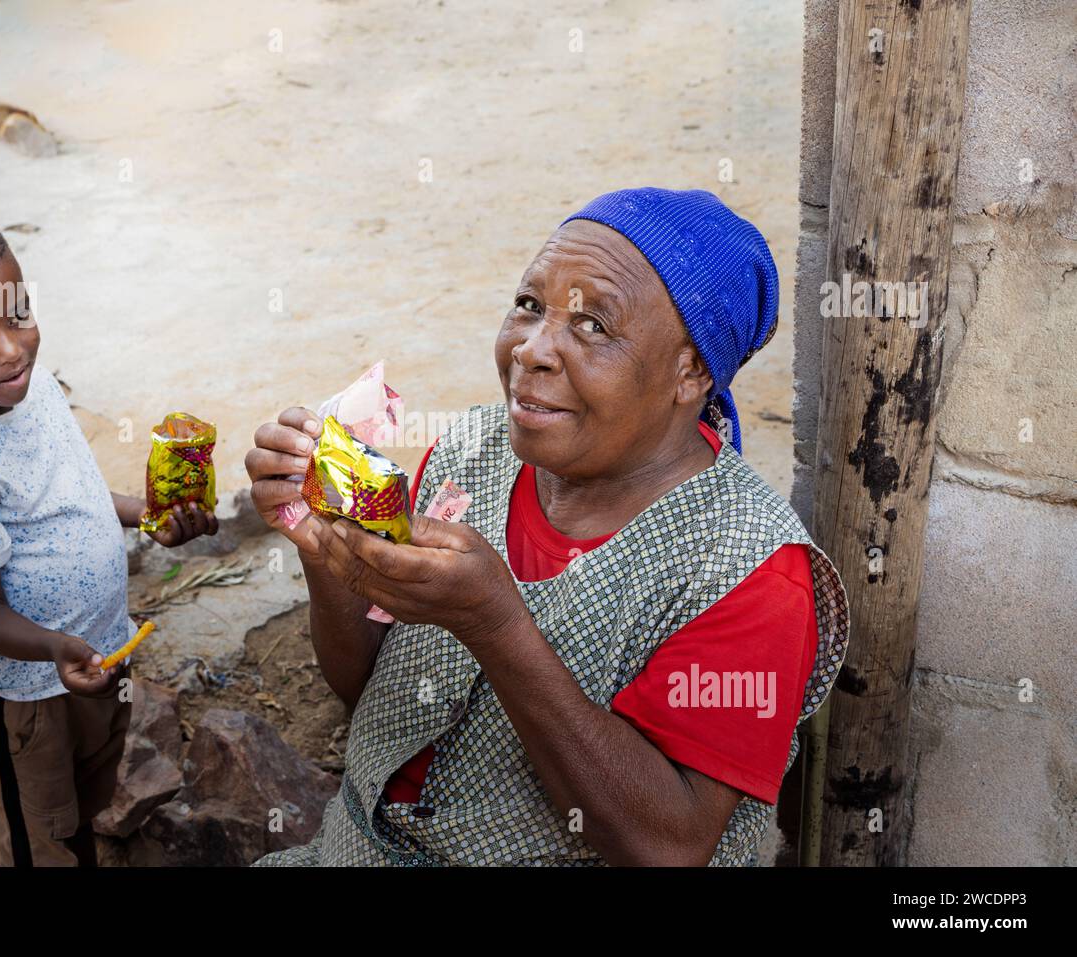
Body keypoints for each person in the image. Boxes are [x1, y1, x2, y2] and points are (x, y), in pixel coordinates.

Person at [245, 188, 849, 866]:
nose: (532, 349)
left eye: (593, 324)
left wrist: (497, 627)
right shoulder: (472, 450)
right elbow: (368, 693)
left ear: (692, 371)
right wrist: (328, 551)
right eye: (530, 306)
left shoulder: (749, 568)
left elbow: (667, 845)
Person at [0, 206, 216, 866]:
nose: (12, 346)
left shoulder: (32, 387)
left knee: (89, 791)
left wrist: (150, 516)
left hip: (95, 654)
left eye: (17, 312)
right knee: (35, 827)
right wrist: (54, 647)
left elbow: (71, 498)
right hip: (24, 693)